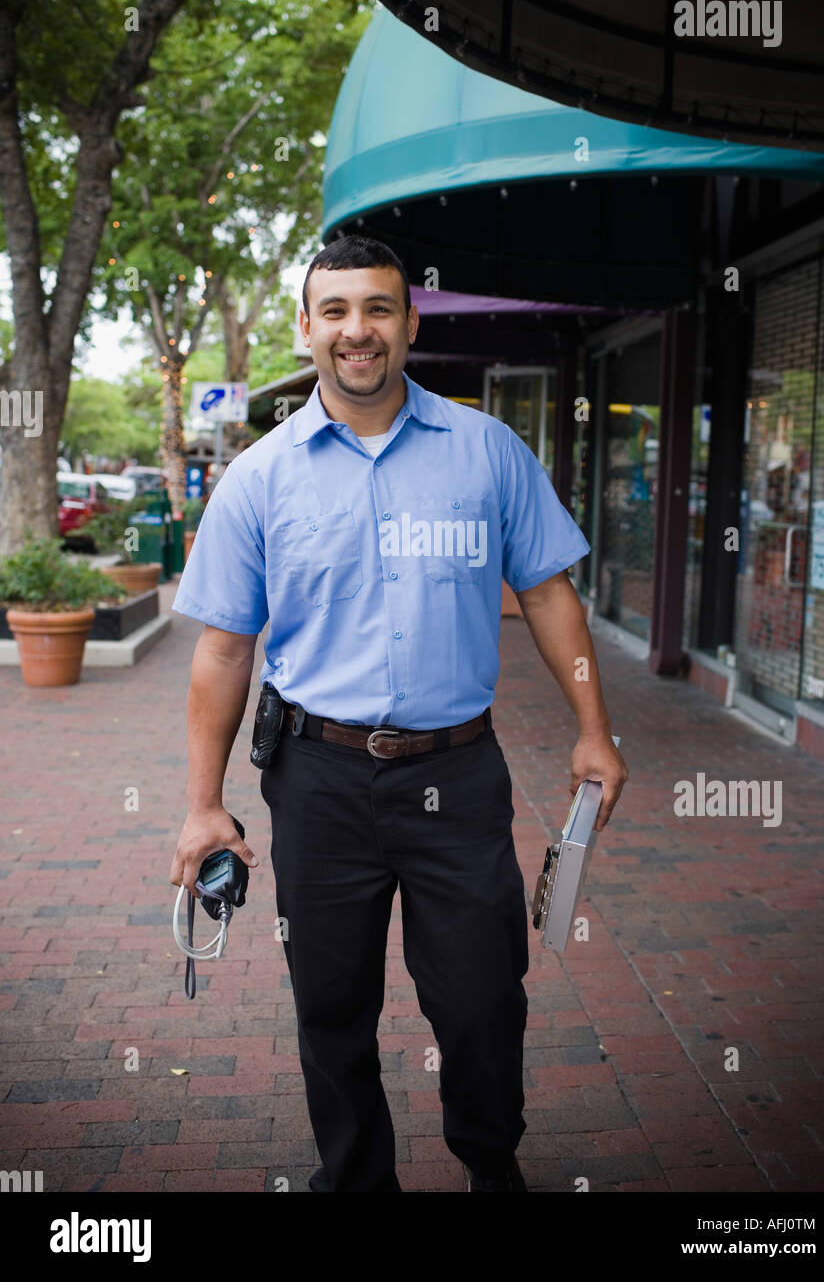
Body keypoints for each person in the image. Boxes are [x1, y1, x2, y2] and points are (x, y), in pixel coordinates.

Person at [169, 235, 627, 1193]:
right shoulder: (260, 477)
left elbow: (548, 593)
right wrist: (203, 803)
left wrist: (594, 729)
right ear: (307, 328)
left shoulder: (488, 450)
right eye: (334, 311)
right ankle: (356, 1180)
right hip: (316, 779)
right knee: (330, 1005)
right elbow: (222, 648)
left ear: (409, 322)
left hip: (456, 777)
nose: (357, 330)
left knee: (482, 999)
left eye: (378, 308)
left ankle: (491, 1164)